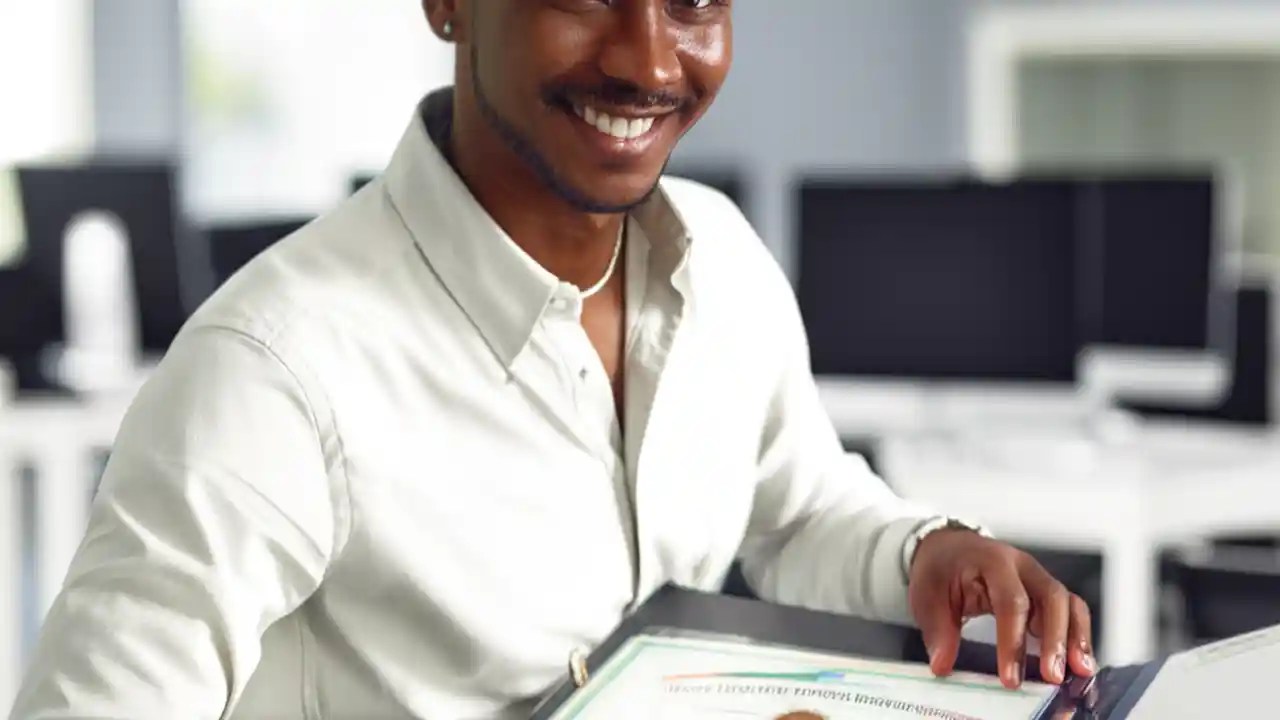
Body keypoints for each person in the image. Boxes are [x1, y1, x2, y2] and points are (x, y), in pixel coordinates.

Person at [10, 1, 1096, 718]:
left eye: (693, 2)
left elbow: (795, 512)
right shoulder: (275, 368)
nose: (647, 59)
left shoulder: (718, 258)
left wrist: (925, 555)